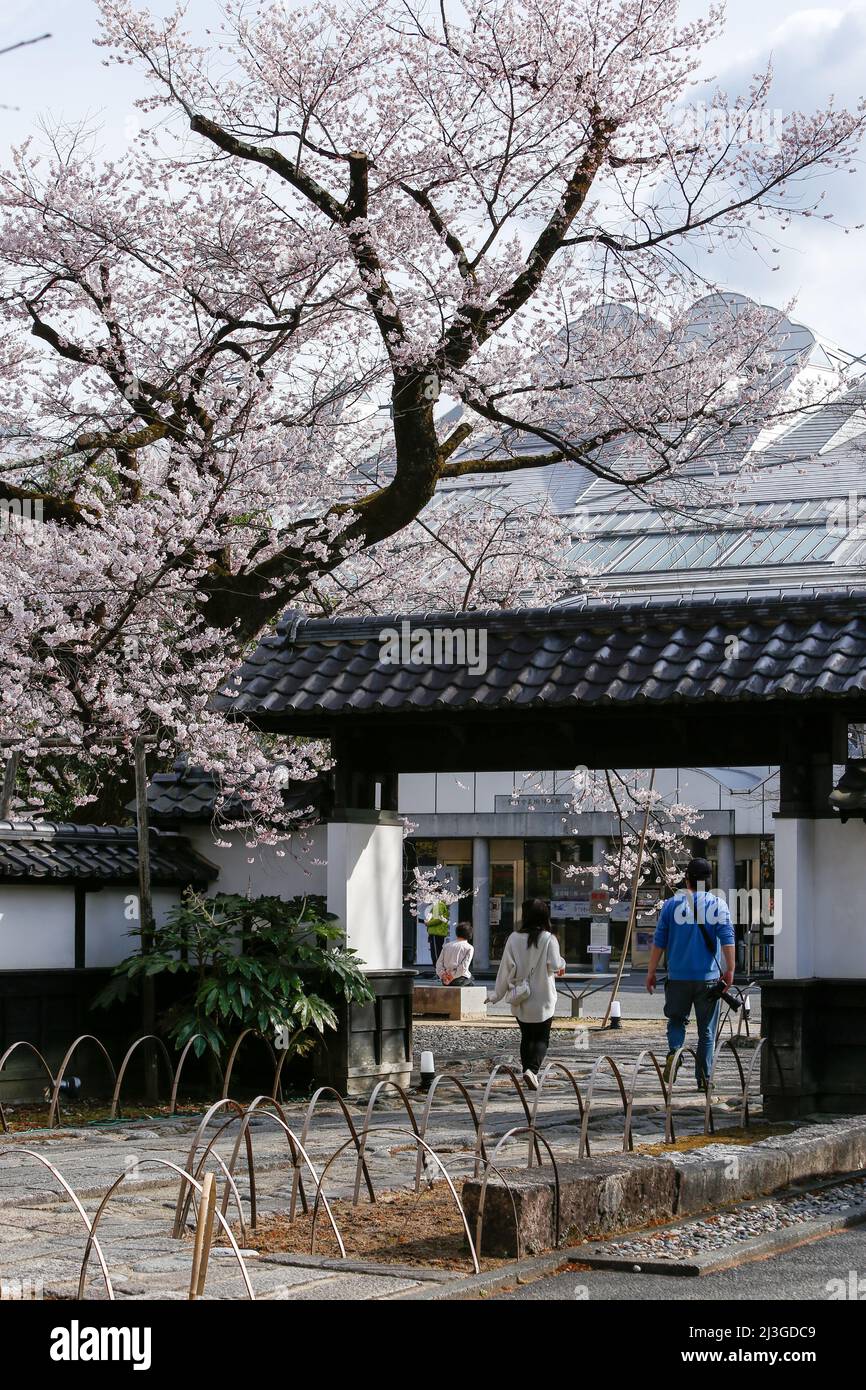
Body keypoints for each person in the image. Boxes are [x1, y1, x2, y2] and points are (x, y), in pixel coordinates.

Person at [646, 857, 736, 1092]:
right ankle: (704, 1079)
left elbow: (659, 941)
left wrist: (651, 971)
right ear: (709, 881)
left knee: (676, 1020)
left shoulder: (671, 905)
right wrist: (730, 970)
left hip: (677, 977)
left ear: (686, 879)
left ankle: (675, 1053)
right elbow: (727, 939)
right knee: (707, 1030)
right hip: (708, 979)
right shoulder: (718, 905)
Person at [488, 898, 566, 1090]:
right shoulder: (549, 938)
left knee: (527, 1037)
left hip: (521, 996)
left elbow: (505, 969)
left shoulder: (514, 938)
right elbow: (556, 965)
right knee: (542, 1037)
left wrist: (496, 995)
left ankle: (527, 1071)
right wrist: (562, 963)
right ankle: (531, 1070)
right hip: (543, 997)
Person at [425, 896, 450, 969]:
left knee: (436, 954)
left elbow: (437, 919)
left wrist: (428, 923)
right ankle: (440, 973)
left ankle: (439, 974)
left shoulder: (438, 905)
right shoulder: (441, 904)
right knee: (438, 953)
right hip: (438, 932)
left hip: (436, 932)